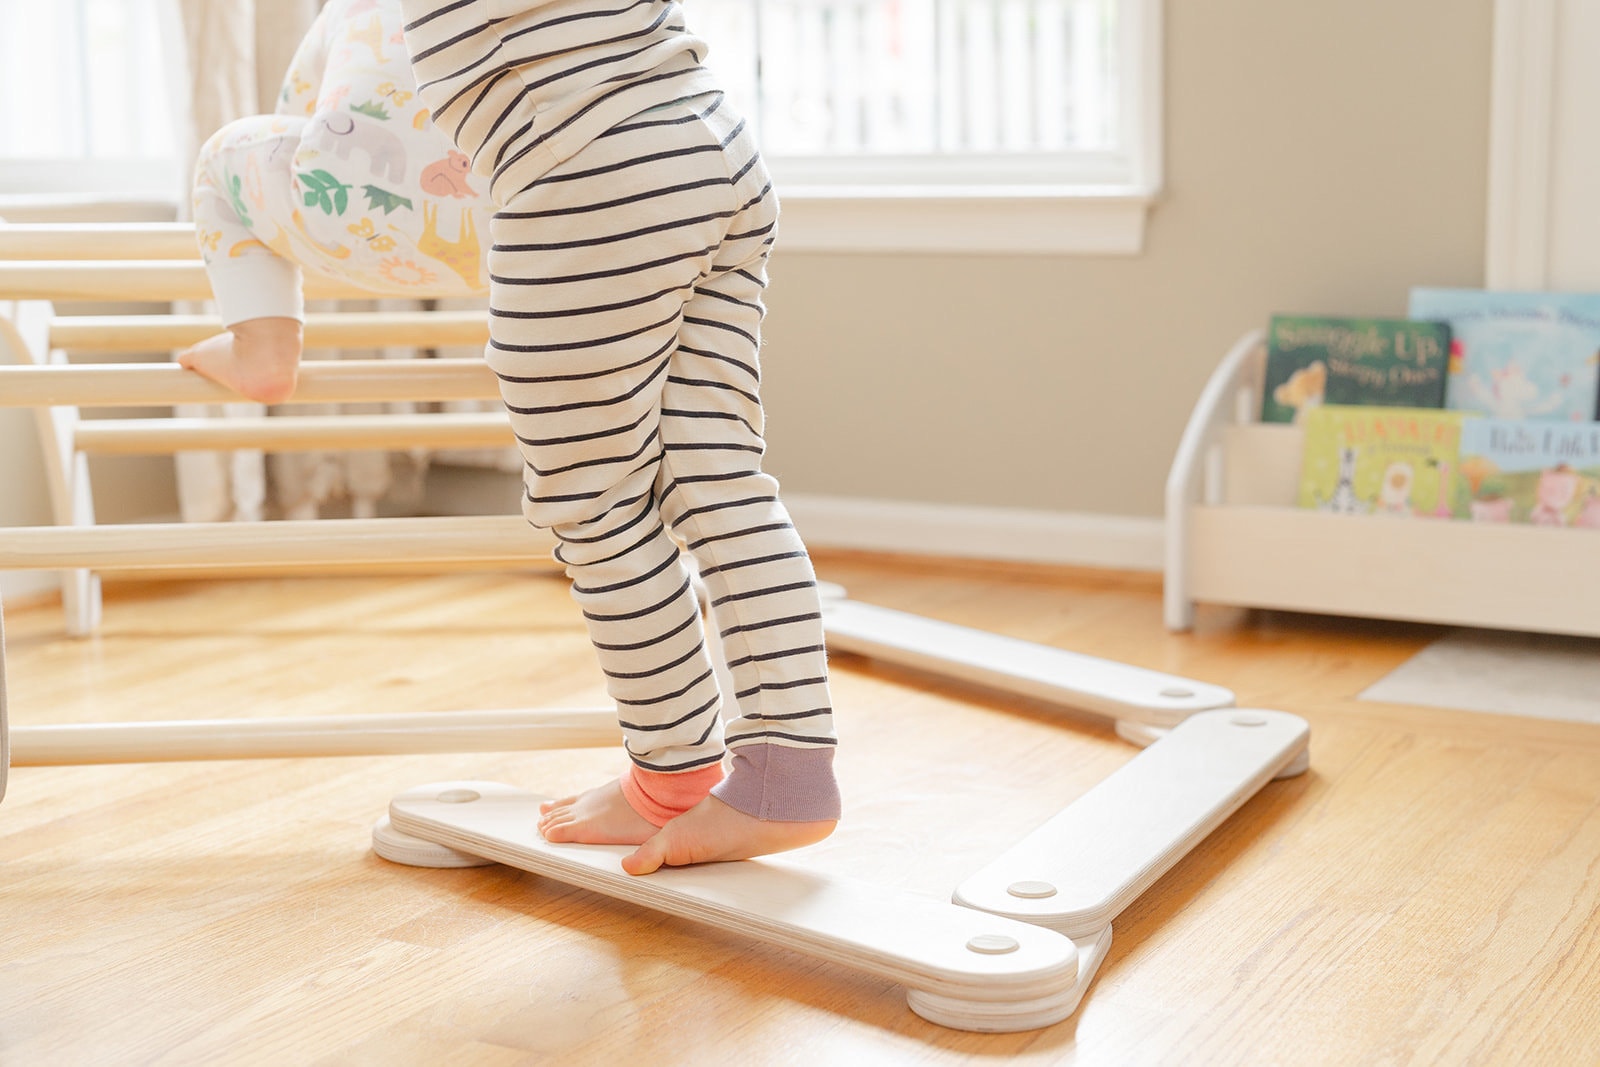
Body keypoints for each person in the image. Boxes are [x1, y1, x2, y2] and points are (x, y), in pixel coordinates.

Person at [183, 0, 842, 876]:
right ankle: (788, 771)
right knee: (720, 479)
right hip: (705, 144)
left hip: (584, 179)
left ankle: (675, 771)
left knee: (595, 499)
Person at [181, 0, 494, 403]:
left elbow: (296, 109)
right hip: (517, 231)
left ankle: (263, 349)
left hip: (340, 212)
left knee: (220, 159)